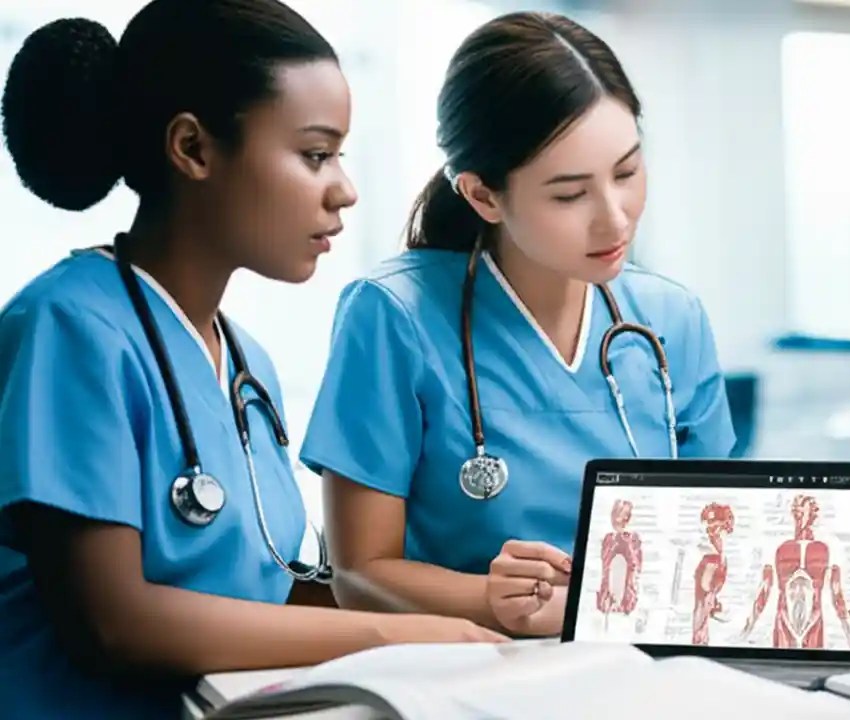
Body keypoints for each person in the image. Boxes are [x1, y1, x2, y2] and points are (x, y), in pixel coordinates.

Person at [0, 2, 505, 717]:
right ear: (194, 149)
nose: (345, 189)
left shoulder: (247, 367)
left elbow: (257, 589)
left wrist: (472, 610)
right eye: (314, 154)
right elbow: (113, 623)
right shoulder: (68, 328)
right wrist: (386, 634)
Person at [300, 11, 736, 639]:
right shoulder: (393, 315)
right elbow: (359, 572)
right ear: (482, 196)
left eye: (627, 172)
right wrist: (487, 599)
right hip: (476, 675)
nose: (615, 221)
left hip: (653, 671)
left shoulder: (672, 319)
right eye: (569, 195)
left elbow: (720, 536)